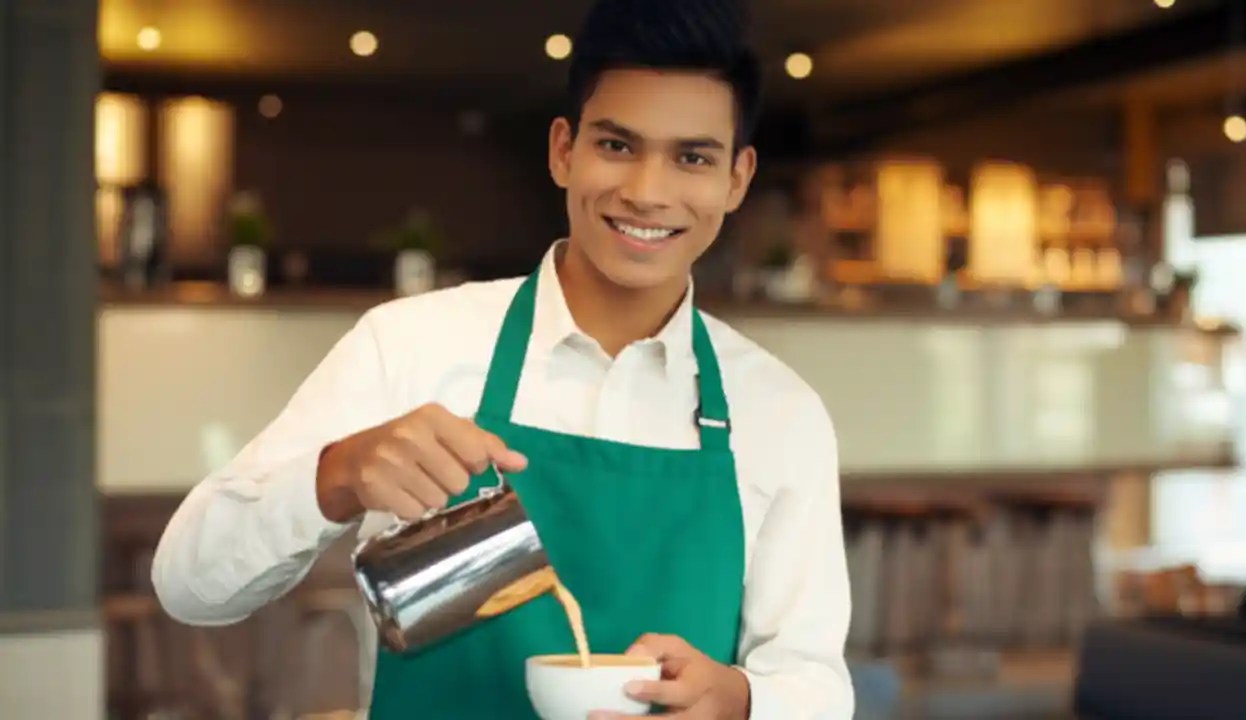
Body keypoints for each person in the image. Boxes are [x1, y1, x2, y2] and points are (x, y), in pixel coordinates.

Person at [151, 0, 854, 717]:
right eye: (616, 146)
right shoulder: (411, 346)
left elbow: (815, 682)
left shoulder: (779, 413)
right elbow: (188, 586)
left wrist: (739, 700)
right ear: (562, 151)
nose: (647, 191)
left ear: (736, 178)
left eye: (692, 157)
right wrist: (338, 475)